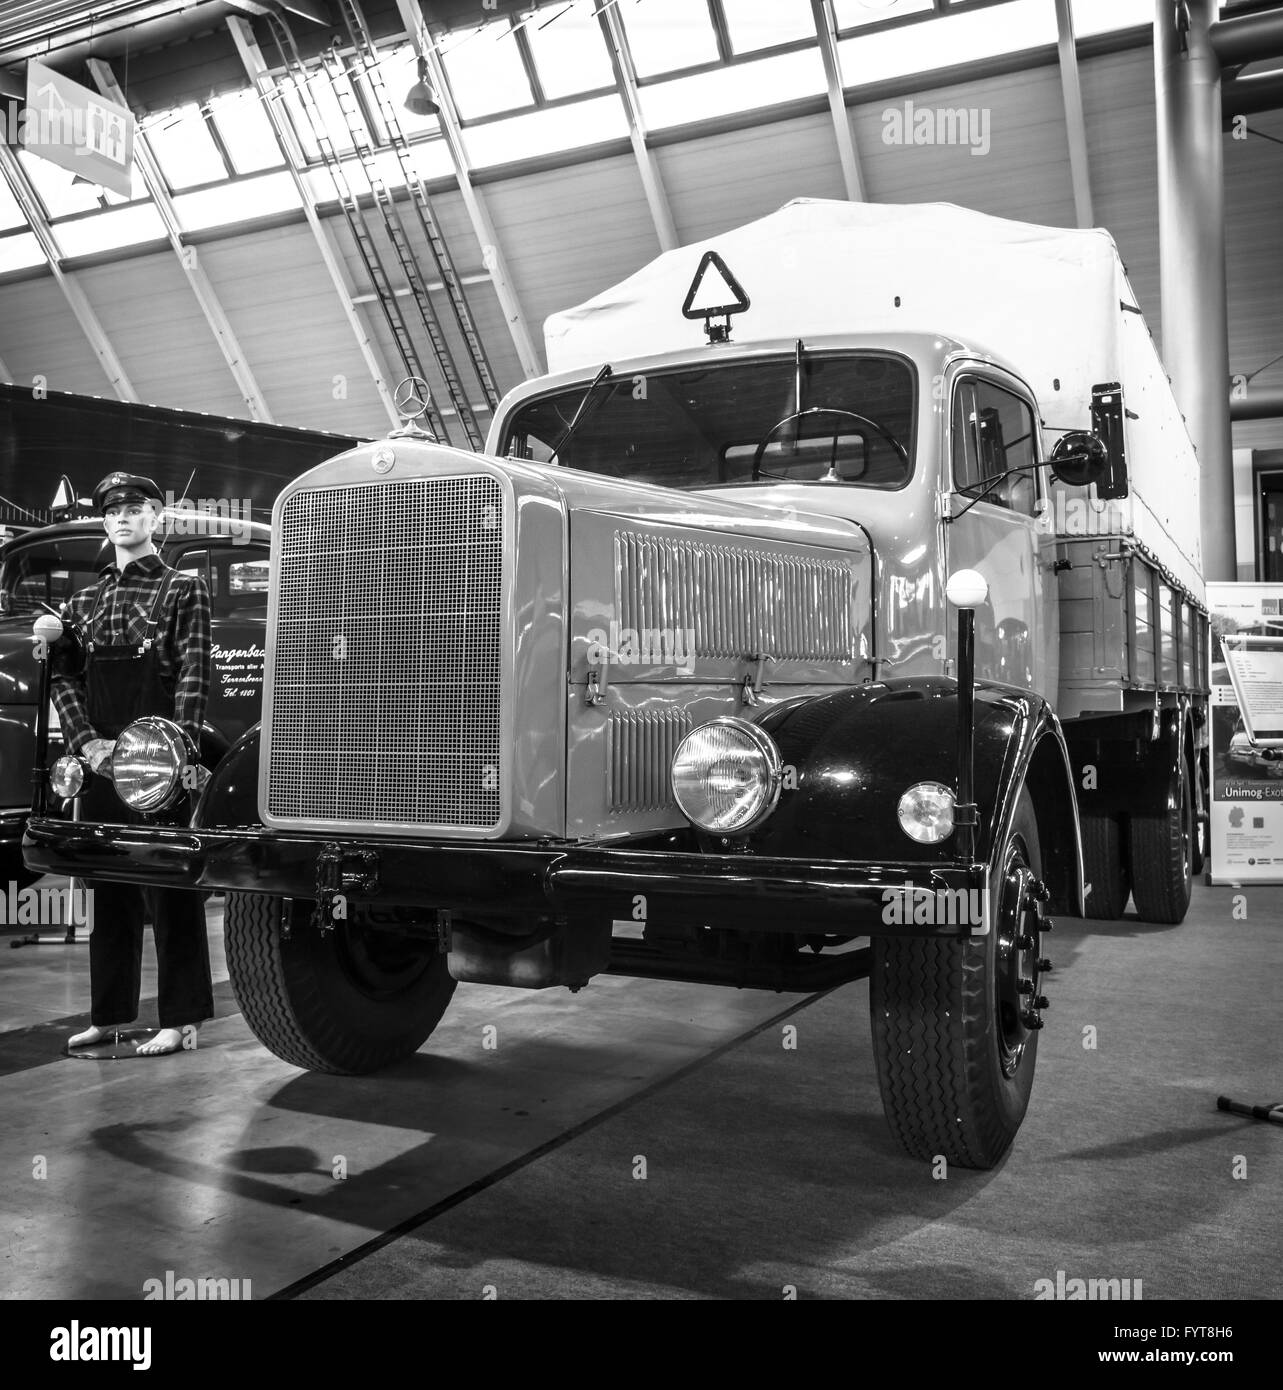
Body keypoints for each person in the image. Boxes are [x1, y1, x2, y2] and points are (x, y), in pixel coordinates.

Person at [54, 472, 213, 1057]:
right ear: (103, 522)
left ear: (156, 517)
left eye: (133, 508)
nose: (121, 517)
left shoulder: (182, 588)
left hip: (158, 757)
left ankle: (182, 1017)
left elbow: (195, 676)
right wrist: (86, 744)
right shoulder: (82, 602)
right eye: (111, 510)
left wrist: (177, 755)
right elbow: (66, 679)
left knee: (171, 888)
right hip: (99, 760)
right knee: (108, 888)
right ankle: (110, 1015)